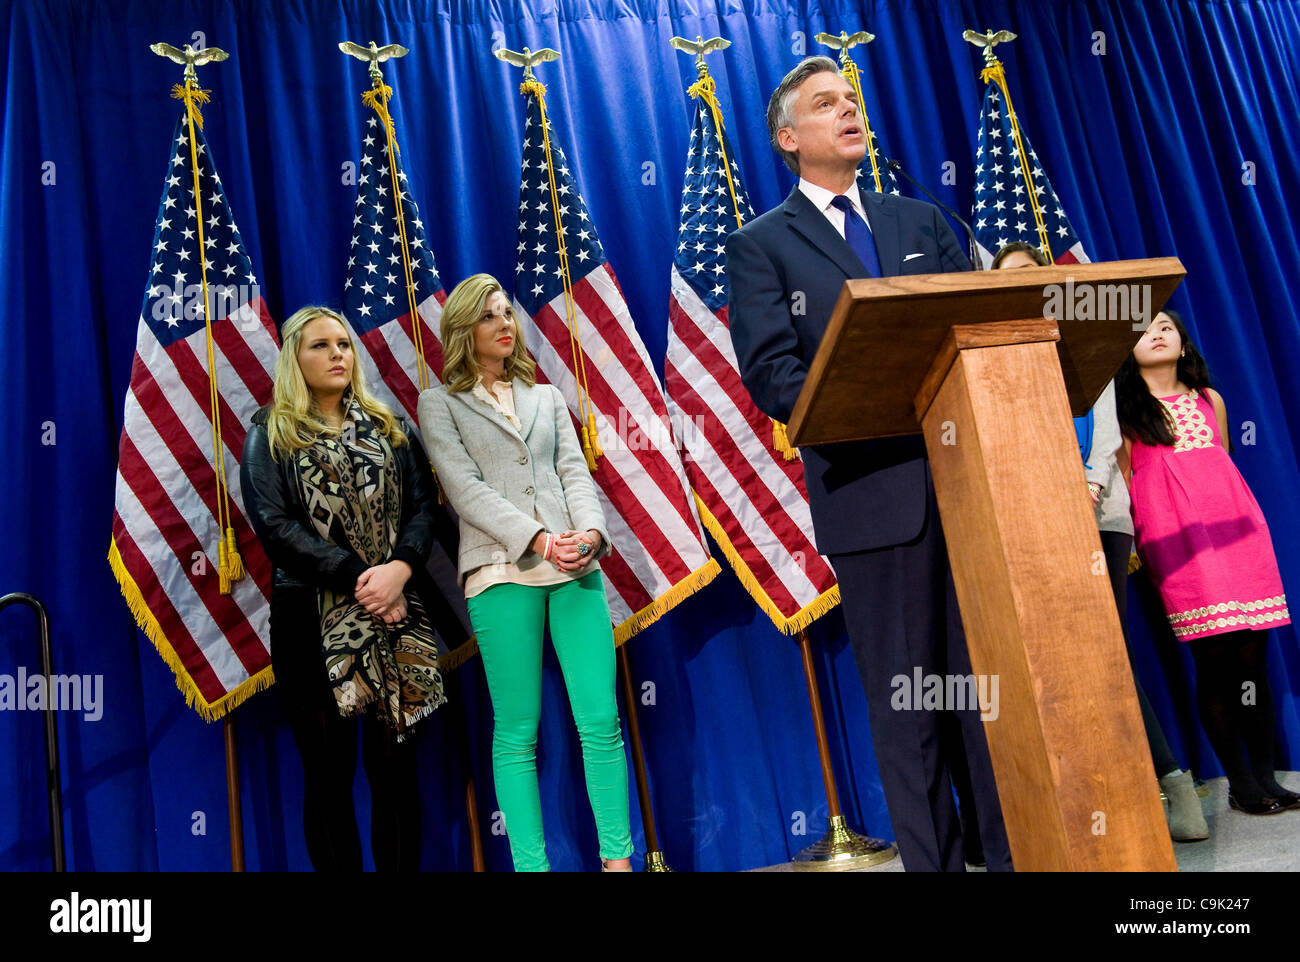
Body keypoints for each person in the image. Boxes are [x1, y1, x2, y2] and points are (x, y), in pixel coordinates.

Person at [726, 56, 1011, 871]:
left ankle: (1011, 855)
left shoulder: (921, 222)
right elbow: (773, 374)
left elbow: (979, 333)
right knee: (910, 706)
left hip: (967, 491)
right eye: (825, 104)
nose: (849, 110)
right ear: (790, 138)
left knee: (982, 696)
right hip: (872, 500)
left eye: (851, 98)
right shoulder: (762, 245)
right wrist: (872, 388)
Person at [417, 273, 635, 872]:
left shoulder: (547, 397)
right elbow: (465, 489)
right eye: (490, 316)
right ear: (465, 330)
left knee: (601, 720)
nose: (505, 323)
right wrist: (538, 538)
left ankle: (618, 864)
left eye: (507, 312)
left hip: (575, 567)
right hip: (499, 571)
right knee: (517, 732)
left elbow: (574, 475)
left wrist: (589, 535)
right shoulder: (438, 403)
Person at [992, 242, 1208, 841]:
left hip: (1097, 513)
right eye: (1006, 280)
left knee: (1103, 653)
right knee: (1059, 662)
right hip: (1031, 521)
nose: (1020, 287)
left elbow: (1106, 430)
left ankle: (1171, 781)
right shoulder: (991, 353)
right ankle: (1101, 795)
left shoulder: (1084, 340)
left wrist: (1086, 483)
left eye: (1030, 278)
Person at [240, 305, 450, 871]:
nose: (337, 354)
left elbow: (422, 508)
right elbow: (275, 527)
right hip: (308, 618)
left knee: (397, 775)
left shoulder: (389, 426)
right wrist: (367, 577)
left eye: (344, 344)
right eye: (320, 345)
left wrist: (400, 569)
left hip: (396, 612)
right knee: (329, 777)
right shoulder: (270, 431)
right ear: (293, 358)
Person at [1116, 309, 1295, 815]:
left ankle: (1267, 779)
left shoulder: (1208, 400)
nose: (1157, 334)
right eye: (1145, 331)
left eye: (1166, 327)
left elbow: (1222, 463)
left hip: (1237, 535)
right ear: (1128, 350)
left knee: (1251, 663)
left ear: (1183, 342)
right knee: (1214, 666)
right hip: (1180, 547)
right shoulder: (1128, 412)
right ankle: (1240, 783)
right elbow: (1132, 484)